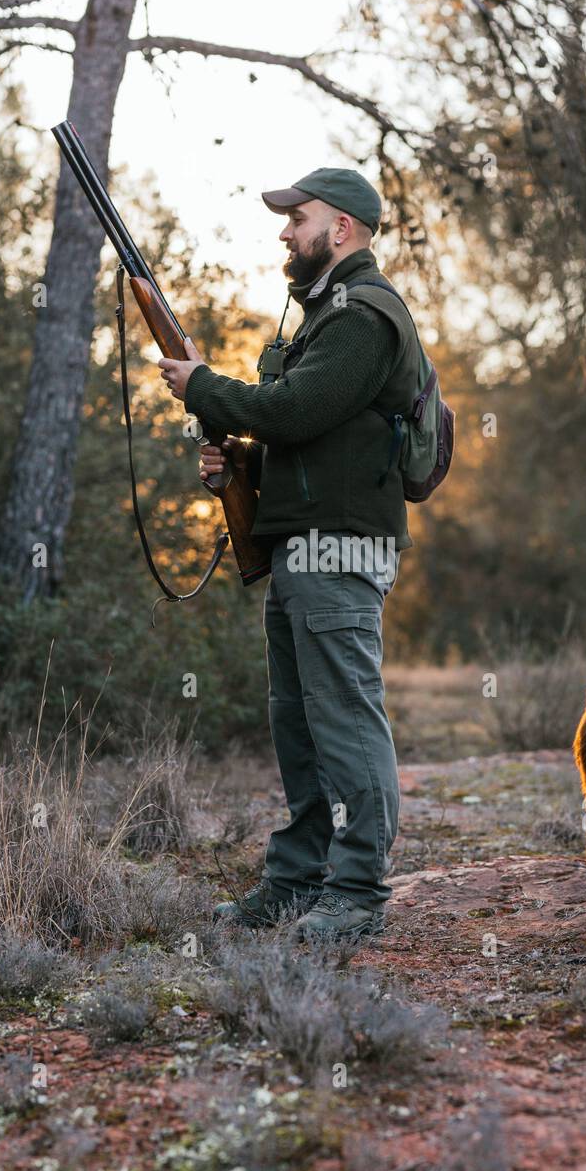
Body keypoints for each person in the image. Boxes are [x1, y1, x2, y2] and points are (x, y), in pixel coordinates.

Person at [158, 167, 423, 940]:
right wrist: (239, 465)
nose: (284, 231)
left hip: (338, 555)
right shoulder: (324, 317)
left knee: (343, 721)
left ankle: (358, 895)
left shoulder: (363, 315)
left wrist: (203, 384)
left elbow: (296, 410)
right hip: (304, 553)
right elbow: (302, 435)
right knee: (299, 726)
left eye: (296, 217)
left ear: (340, 228)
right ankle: (299, 879)